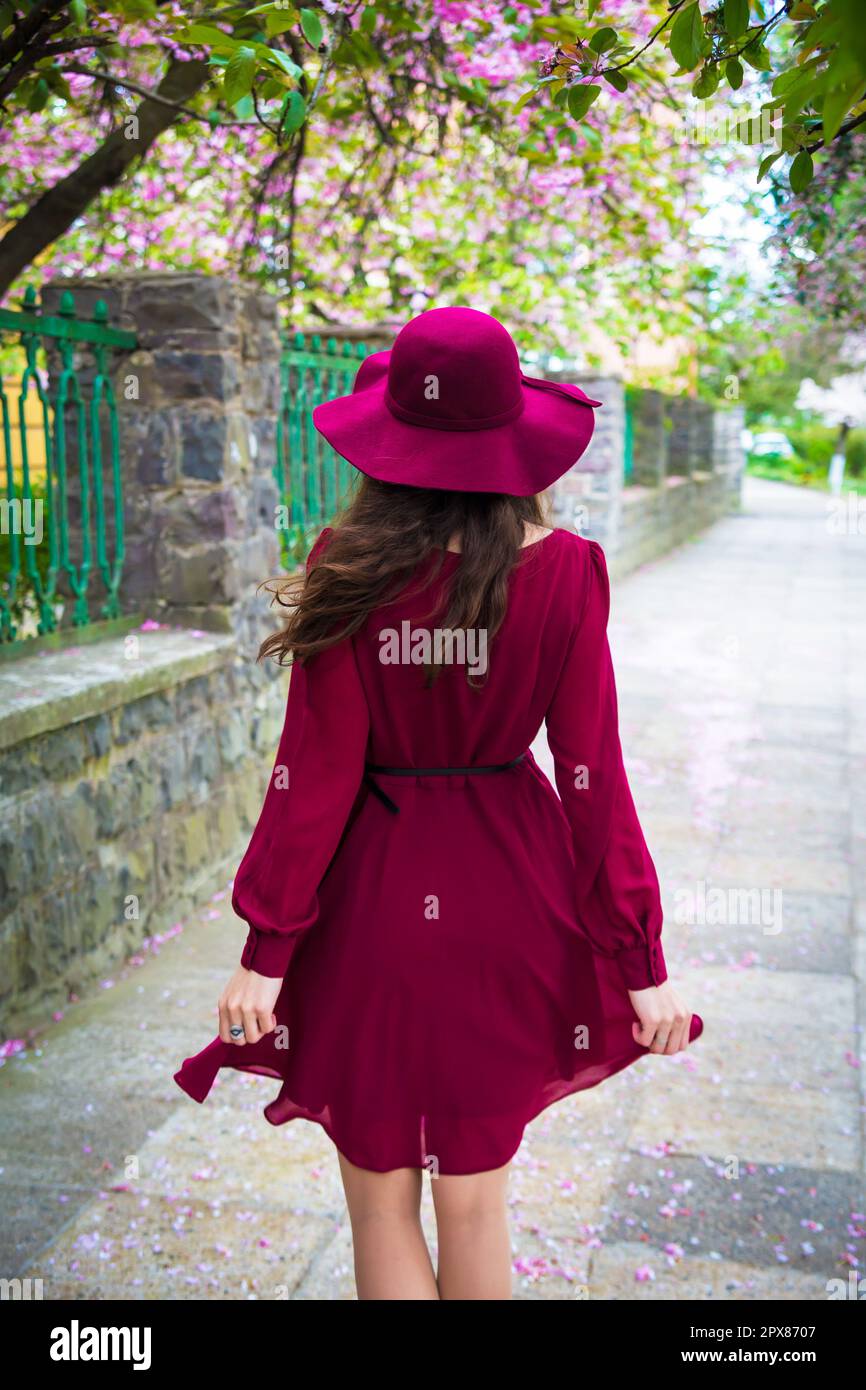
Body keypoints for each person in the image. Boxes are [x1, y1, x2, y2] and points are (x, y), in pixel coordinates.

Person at [174, 306, 703, 1301]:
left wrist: (267, 946)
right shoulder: (570, 572)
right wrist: (641, 962)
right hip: (509, 899)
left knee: (379, 1206)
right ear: (514, 442)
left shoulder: (347, 564)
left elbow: (314, 773)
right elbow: (593, 775)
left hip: (372, 907)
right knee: (474, 1202)